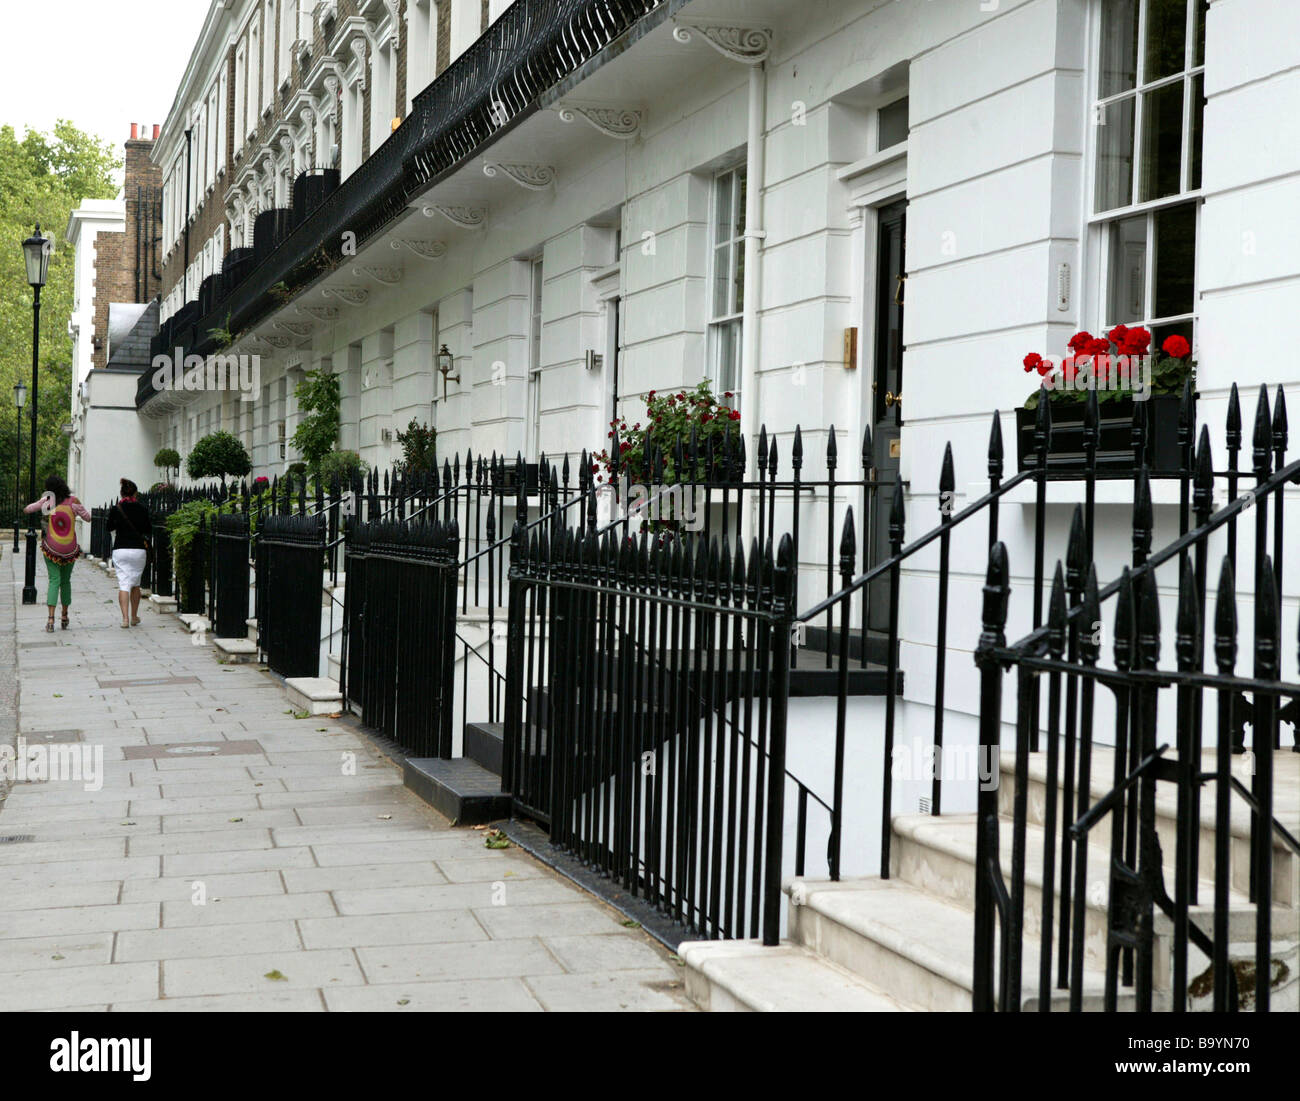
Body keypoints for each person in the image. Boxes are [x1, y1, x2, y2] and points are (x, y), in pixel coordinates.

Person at [23, 475, 90, 632]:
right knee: (65, 582)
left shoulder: (49, 501)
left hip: (52, 547)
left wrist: (40, 504)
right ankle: (65, 616)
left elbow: (29, 509)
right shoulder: (74, 502)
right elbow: (88, 518)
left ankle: (50, 619)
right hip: (70, 548)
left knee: (54, 580)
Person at [107, 478, 152, 629]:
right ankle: (134, 616)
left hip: (121, 549)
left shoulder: (116, 509)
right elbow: (148, 529)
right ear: (135, 493)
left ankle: (125, 619)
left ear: (121, 493)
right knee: (136, 583)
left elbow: (108, 527)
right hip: (138, 550)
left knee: (124, 583)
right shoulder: (142, 508)